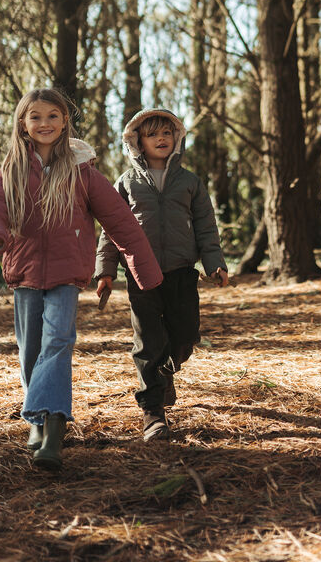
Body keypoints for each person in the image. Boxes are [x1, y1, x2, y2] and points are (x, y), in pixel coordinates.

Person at [0, 88, 162, 470]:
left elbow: (121, 222)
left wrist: (144, 270)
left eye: (53, 116)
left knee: (58, 342)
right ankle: (37, 419)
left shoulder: (83, 173)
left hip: (66, 272)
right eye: (36, 117)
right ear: (24, 125)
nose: (44, 123)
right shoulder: (11, 169)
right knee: (30, 351)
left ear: (64, 122)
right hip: (24, 270)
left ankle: (54, 425)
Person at [94, 108, 229, 442]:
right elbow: (111, 229)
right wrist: (106, 270)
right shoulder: (126, 182)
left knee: (186, 335)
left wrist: (214, 262)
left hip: (182, 271)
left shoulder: (190, 182)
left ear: (177, 139)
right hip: (140, 273)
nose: (160, 139)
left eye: (167, 133)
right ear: (137, 141)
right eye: (152, 134)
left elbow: (205, 225)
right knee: (149, 341)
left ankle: (167, 370)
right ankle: (153, 412)